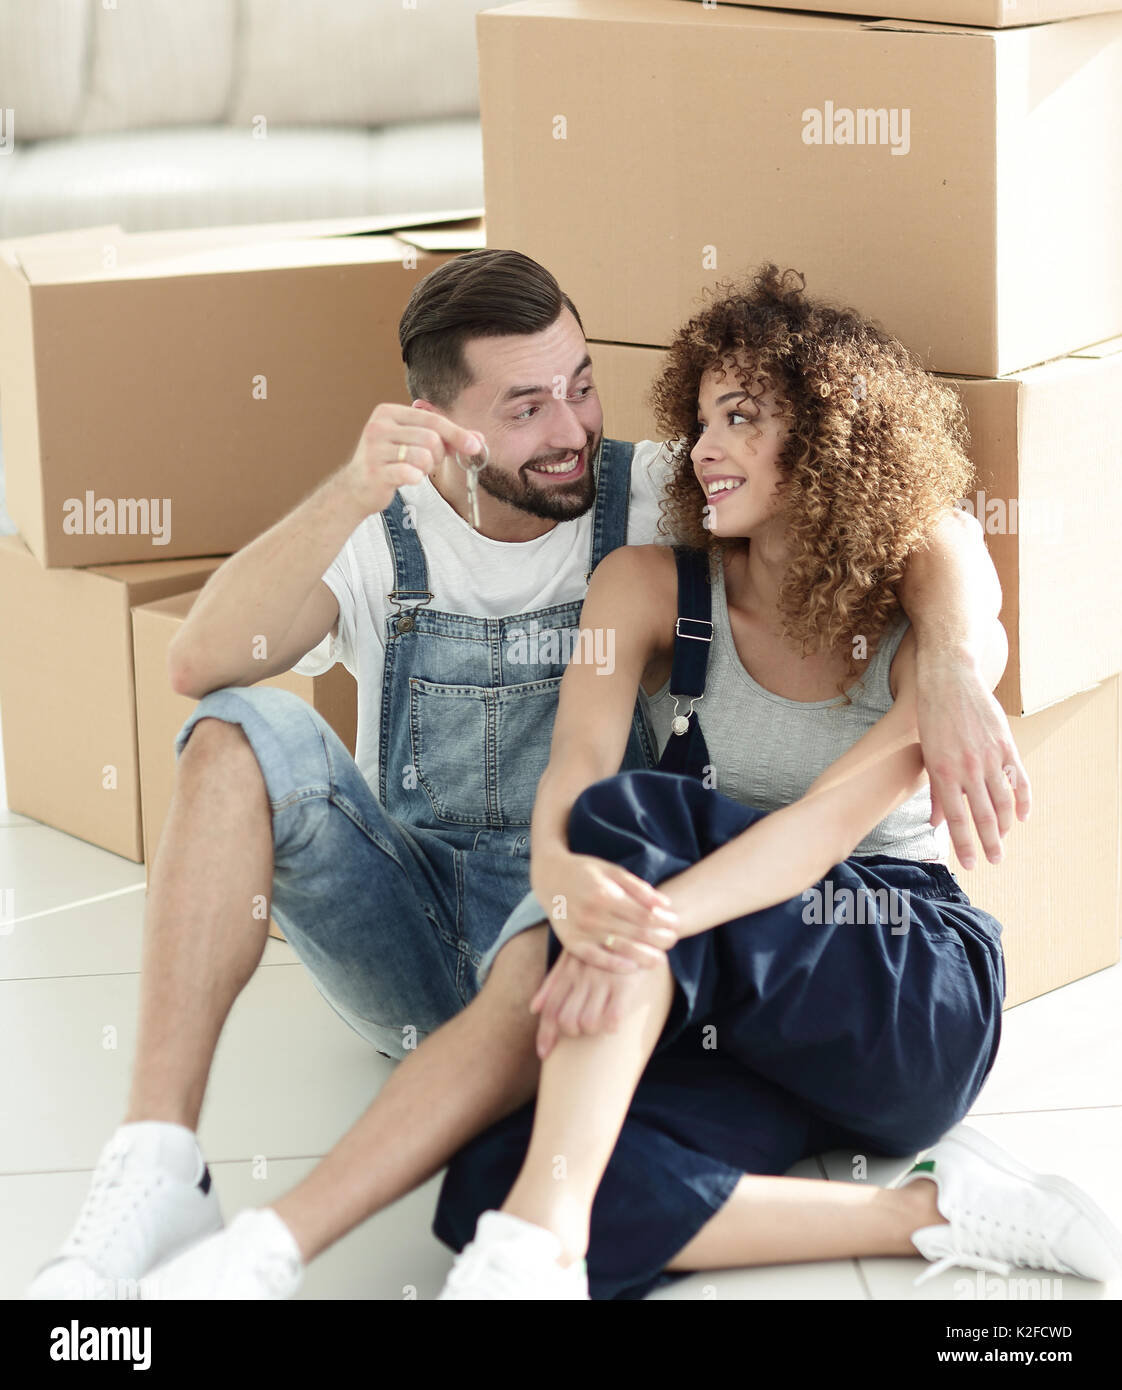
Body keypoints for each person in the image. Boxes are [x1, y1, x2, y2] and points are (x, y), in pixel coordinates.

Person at [27, 254, 1021, 1300]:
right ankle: (155, 1161)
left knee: (626, 835)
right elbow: (196, 663)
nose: (573, 428)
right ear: (439, 421)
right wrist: (351, 488)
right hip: (456, 939)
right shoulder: (383, 534)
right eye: (528, 405)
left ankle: (481, 1242)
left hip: (613, 939)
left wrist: (953, 651)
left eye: (583, 385)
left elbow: (895, 503)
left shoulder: (653, 495)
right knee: (235, 728)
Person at [431, 265, 1122, 1299]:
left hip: (896, 981)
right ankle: (925, 1215)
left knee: (634, 814)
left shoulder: (918, 635)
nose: (703, 448)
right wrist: (572, 890)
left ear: (834, 438)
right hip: (733, 1006)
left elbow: (816, 836)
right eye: (702, 418)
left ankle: (536, 1250)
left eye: (741, 416)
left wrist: (643, 919)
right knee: (494, 1177)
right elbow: (571, 781)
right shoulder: (661, 587)